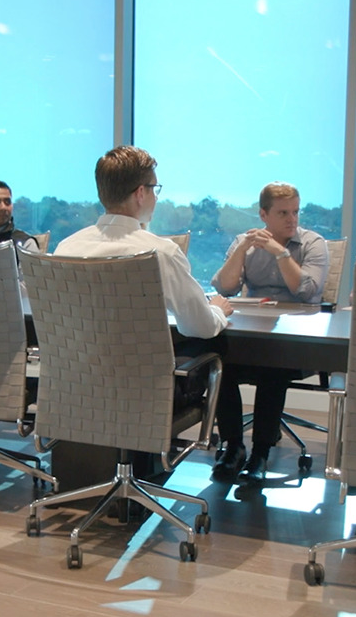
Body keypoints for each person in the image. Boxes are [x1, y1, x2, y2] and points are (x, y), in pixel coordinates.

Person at [209, 182, 329, 482]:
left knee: (274, 366)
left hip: (298, 341)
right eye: (283, 213)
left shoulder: (313, 244)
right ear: (264, 215)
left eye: (296, 212)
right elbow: (224, 287)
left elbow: (307, 291)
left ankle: (261, 453)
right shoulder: (245, 241)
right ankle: (233, 447)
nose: (292, 219)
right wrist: (241, 250)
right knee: (220, 364)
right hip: (255, 334)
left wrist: (279, 252)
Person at [54, 146, 231, 340]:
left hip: (75, 359)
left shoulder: (65, 249)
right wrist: (217, 309)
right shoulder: (160, 253)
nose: (155, 197)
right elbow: (201, 327)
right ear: (140, 193)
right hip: (137, 360)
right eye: (154, 189)